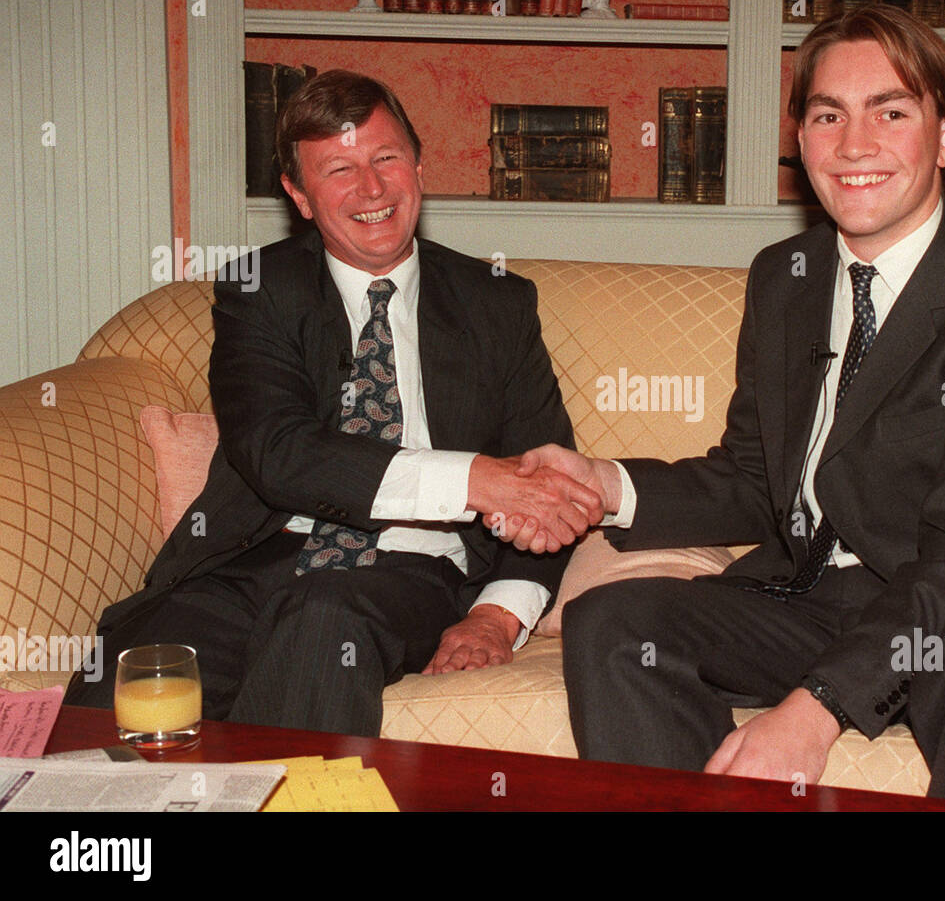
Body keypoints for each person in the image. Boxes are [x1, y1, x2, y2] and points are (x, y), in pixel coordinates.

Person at [494, 6, 945, 810]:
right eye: (827, 116)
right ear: (802, 140)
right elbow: (756, 477)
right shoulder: (786, 277)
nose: (854, 145)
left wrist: (817, 709)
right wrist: (605, 482)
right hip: (811, 599)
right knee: (615, 622)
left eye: (890, 112)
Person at [65, 70, 602, 736]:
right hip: (254, 564)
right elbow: (279, 452)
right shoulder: (259, 290)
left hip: (409, 572)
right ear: (299, 194)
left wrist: (497, 614)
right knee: (128, 676)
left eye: (385, 158)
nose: (371, 189)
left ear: (418, 166)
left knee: (324, 618)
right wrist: (474, 478)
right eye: (339, 169)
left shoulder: (496, 302)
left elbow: (543, 486)